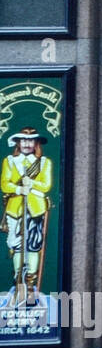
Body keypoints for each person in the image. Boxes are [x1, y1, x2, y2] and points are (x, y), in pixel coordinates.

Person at [2, 126, 53, 306]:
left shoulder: (44, 162)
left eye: (30, 140)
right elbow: (4, 184)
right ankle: (18, 283)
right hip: (15, 210)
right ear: (18, 143)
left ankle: (30, 286)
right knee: (16, 246)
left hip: (35, 209)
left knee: (33, 246)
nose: (26, 144)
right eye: (23, 140)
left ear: (36, 143)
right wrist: (18, 188)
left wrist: (30, 184)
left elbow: (46, 185)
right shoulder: (9, 161)